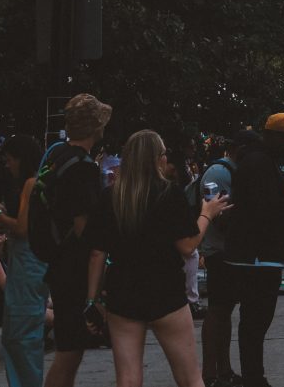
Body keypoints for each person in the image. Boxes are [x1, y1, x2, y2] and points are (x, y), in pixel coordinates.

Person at [85, 130, 233, 387]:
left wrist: (92, 298)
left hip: (123, 292)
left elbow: (97, 252)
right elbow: (188, 246)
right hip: (165, 292)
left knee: (128, 378)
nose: (166, 160)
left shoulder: (112, 197)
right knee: (189, 377)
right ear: (156, 159)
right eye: (163, 154)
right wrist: (207, 213)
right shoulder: (168, 194)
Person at [218, 114, 284, 387]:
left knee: (254, 321)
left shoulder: (260, 160)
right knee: (255, 320)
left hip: (257, 254)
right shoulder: (258, 163)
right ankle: (254, 377)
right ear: (277, 137)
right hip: (256, 256)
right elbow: (266, 208)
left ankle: (254, 375)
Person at [42, 93, 111, 387]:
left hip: (59, 262)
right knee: (69, 352)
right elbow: (86, 228)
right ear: (96, 127)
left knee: (70, 350)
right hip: (73, 268)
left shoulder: (58, 157)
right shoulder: (83, 167)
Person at [0, 134, 50, 387]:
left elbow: (23, 228)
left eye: (10, 160)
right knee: (20, 334)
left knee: (20, 334)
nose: (7, 165)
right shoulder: (37, 183)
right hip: (28, 264)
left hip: (28, 264)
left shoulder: (30, 184)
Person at [196, 134, 241, 387]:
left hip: (229, 252)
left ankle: (224, 372)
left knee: (224, 313)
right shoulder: (218, 172)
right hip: (218, 252)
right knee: (217, 312)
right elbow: (217, 215)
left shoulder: (234, 170)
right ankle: (209, 374)